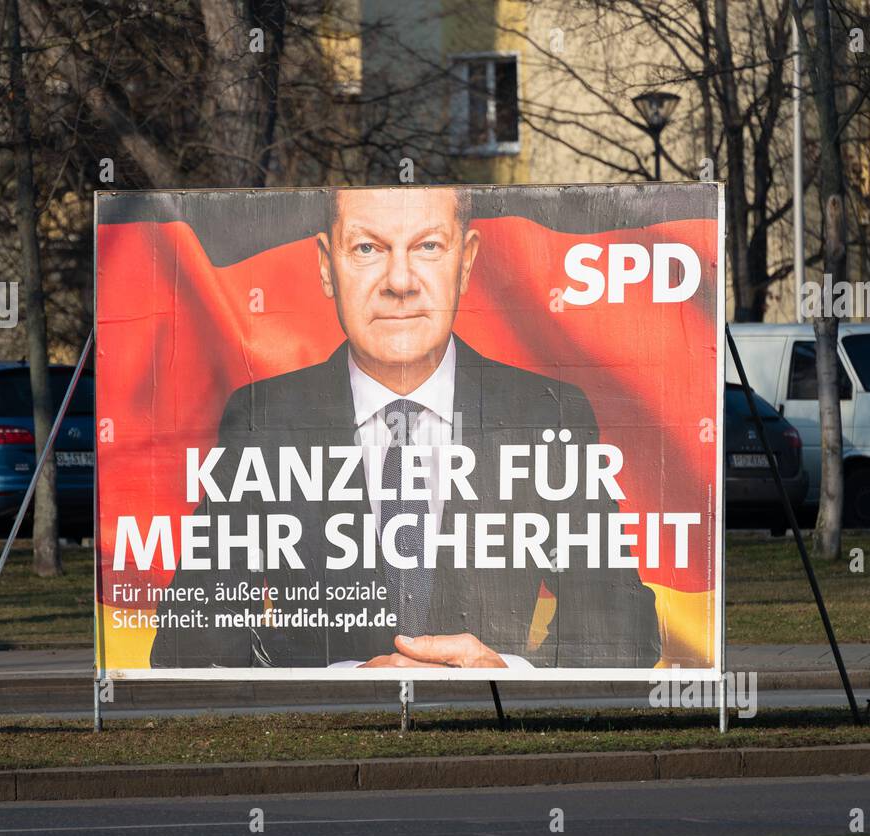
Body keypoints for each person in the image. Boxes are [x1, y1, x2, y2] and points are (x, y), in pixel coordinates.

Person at [150, 186, 659, 669]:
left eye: (429, 246)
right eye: (368, 247)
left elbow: (623, 629)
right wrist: (339, 679)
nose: (399, 281)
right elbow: (189, 638)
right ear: (328, 266)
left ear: (466, 261)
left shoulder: (545, 414)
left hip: (486, 739)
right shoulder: (266, 418)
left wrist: (505, 672)